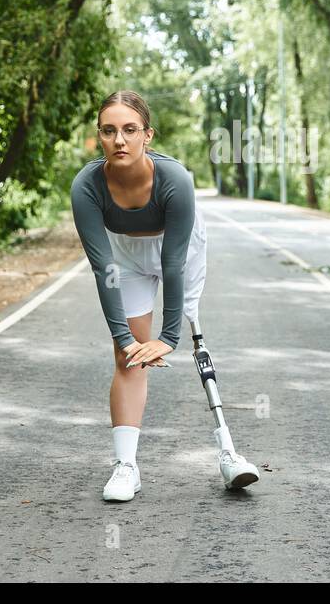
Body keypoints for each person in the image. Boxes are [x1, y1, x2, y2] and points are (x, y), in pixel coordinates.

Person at [70, 89, 258, 502]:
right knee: (128, 358)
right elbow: (105, 270)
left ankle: (229, 453)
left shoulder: (174, 180)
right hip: (126, 258)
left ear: (147, 135)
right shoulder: (86, 186)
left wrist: (168, 337)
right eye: (109, 131)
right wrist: (127, 340)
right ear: (99, 136)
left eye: (129, 130)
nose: (119, 140)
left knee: (194, 334)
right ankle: (126, 467)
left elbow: (173, 263)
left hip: (180, 247)